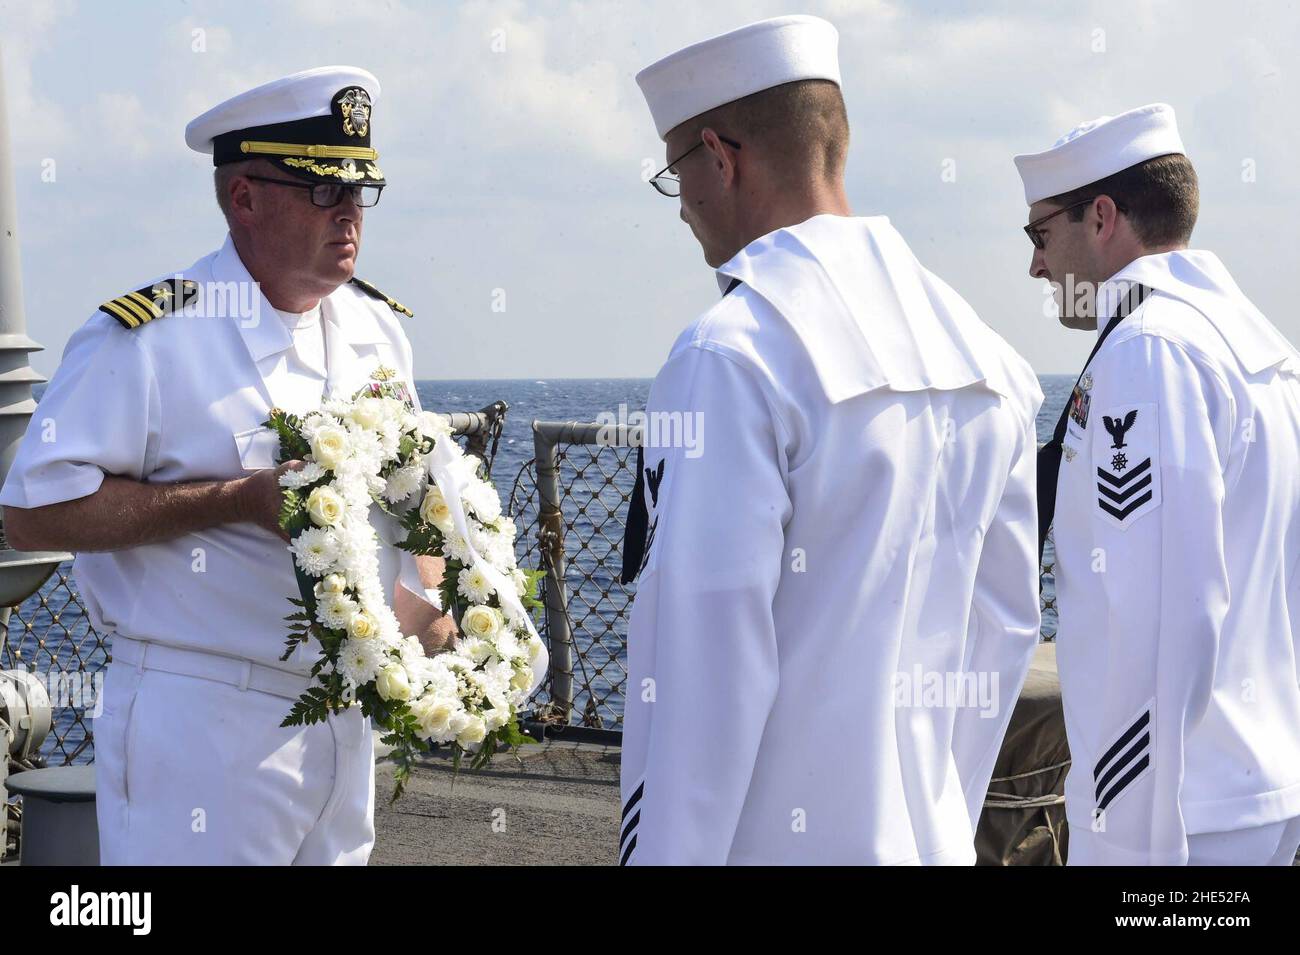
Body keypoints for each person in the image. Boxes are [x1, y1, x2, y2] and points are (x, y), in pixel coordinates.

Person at [618, 15, 1044, 865]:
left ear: (721, 156)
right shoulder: (991, 361)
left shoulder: (732, 353)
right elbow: (1001, 637)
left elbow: (702, 668)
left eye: (677, 173)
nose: (683, 206)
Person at [0, 66, 453, 865]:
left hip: (344, 714)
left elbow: (414, 496)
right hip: (205, 723)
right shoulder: (151, 338)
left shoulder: (378, 332)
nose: (348, 210)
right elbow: (34, 510)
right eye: (321, 189)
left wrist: (432, 600)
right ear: (243, 197)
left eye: (360, 190)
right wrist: (238, 500)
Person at [1017, 103, 1300, 865]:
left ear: (1101, 216)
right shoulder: (1259, 349)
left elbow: (1162, 618)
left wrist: (1129, 831)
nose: (1037, 266)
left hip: (1174, 819)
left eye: (1040, 235)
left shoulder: (1150, 351)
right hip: (1251, 794)